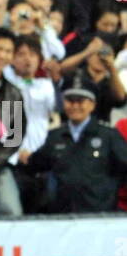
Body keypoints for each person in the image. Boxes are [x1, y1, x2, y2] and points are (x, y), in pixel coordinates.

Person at [22, 83, 127, 213]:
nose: (75, 106)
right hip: (63, 214)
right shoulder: (55, 136)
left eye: (80, 101)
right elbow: (37, 163)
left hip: (100, 213)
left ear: (92, 105)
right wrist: (26, 157)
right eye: (70, 101)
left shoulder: (108, 135)